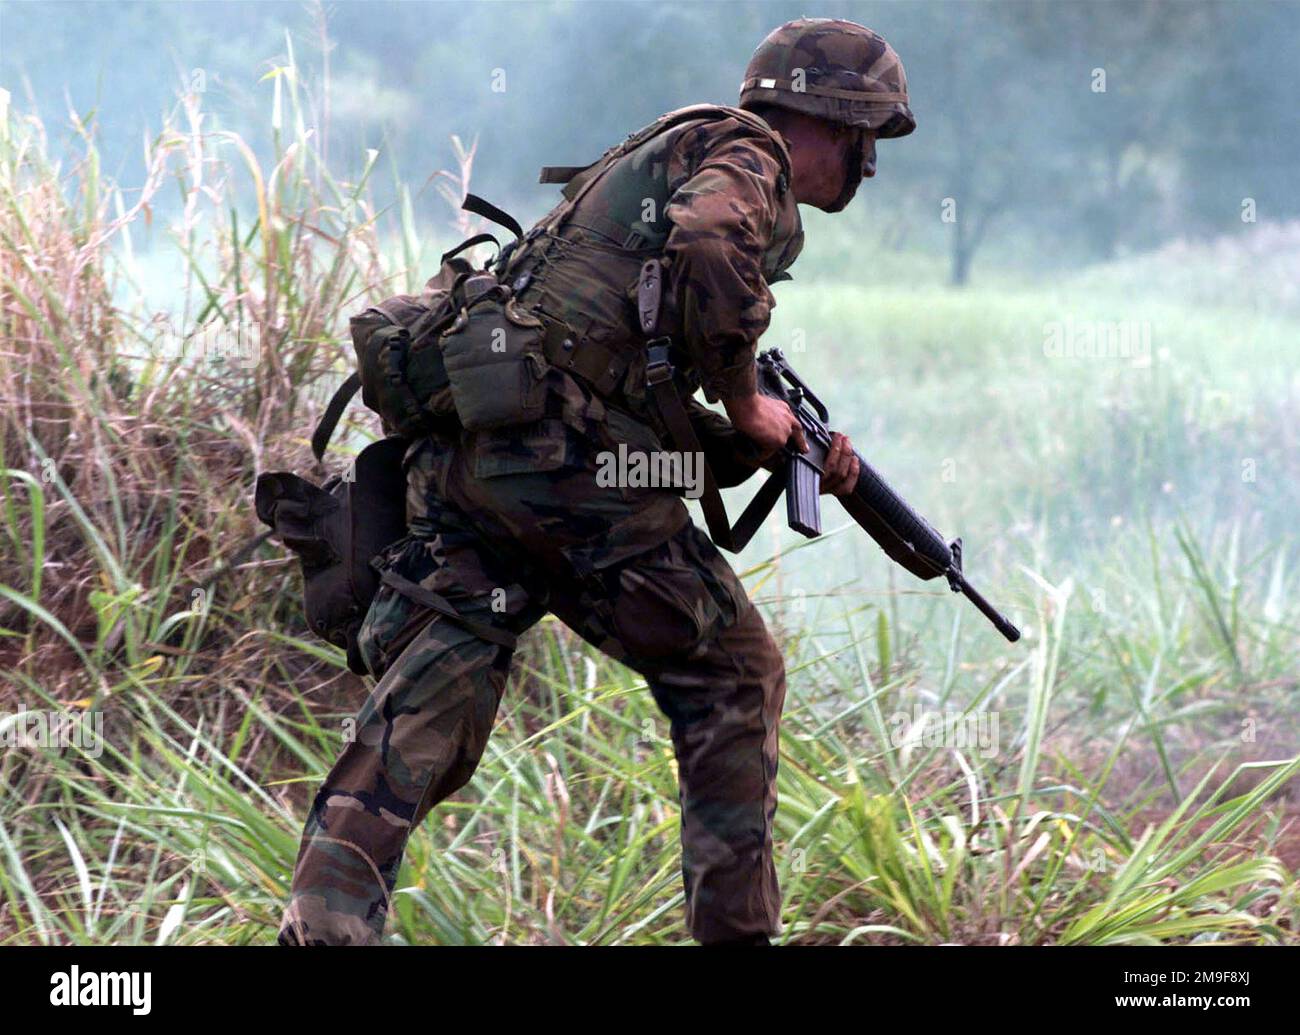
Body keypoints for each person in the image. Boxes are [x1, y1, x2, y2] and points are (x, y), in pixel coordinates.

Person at [278, 16, 915, 947]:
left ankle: (323, 927)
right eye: (869, 143)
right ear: (841, 123)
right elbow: (705, 244)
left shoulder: (669, 155)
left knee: (426, 703)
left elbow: (620, 392)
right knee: (734, 672)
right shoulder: (747, 153)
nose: (868, 168)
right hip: (569, 474)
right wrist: (744, 400)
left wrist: (770, 446)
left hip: (485, 458)